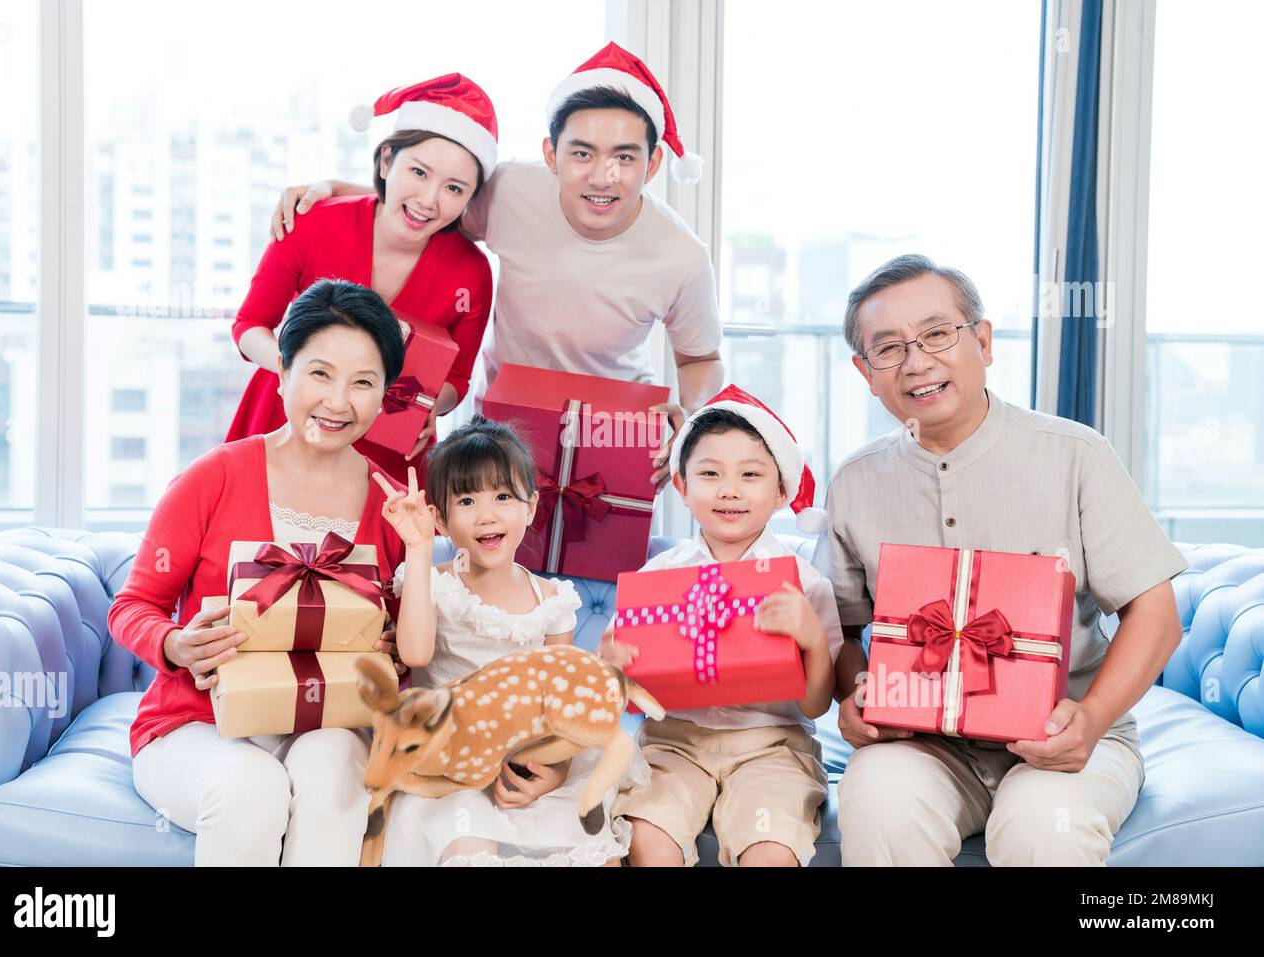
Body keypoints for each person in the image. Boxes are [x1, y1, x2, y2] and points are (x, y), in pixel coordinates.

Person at [817, 254, 1187, 866]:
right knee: (879, 800)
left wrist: (1090, 720)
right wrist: (854, 695)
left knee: (1046, 824)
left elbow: (1157, 614)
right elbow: (846, 632)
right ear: (865, 371)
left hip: (1065, 732)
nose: (916, 362)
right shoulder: (854, 483)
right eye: (889, 348)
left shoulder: (1077, 455)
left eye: (937, 334)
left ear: (983, 342)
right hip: (923, 743)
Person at [270, 43, 725, 487]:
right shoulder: (510, 191)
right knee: (484, 556)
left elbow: (700, 358)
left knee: (597, 559)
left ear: (653, 164)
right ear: (552, 154)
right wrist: (334, 188)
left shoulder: (681, 255)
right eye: (582, 153)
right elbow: (428, 206)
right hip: (501, 422)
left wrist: (690, 423)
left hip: (611, 430)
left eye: (624, 157)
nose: (602, 176)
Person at [110, 279, 408, 866]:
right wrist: (175, 642)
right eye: (319, 374)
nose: (338, 402)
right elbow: (132, 606)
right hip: (196, 726)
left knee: (337, 772)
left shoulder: (392, 504)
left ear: (385, 396)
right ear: (283, 372)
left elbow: (402, 630)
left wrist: (393, 645)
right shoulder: (214, 476)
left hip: (326, 721)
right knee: (253, 787)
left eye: (363, 383)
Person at [374, 415, 646, 866]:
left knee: (592, 853)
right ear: (440, 518)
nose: (487, 514)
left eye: (503, 496)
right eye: (466, 500)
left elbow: (560, 703)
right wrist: (419, 549)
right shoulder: (433, 583)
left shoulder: (553, 600)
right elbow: (416, 654)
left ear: (531, 507)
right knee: (468, 849)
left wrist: (553, 772)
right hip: (450, 762)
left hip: (526, 759)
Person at [601, 386, 840, 866]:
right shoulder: (660, 577)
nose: (729, 490)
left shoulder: (802, 583)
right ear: (683, 487)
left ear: (780, 492)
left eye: (750, 475)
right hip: (674, 743)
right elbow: (625, 693)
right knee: (647, 840)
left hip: (774, 746)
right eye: (710, 474)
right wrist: (613, 664)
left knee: (770, 851)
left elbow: (816, 703)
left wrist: (811, 638)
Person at [227, 74, 497, 478]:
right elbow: (249, 326)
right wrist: (300, 372)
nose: (428, 200)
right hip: (285, 422)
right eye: (419, 173)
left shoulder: (472, 271)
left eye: (454, 189)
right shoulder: (312, 222)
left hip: (387, 444)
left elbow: (456, 379)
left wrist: (423, 406)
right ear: (387, 160)